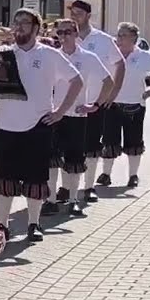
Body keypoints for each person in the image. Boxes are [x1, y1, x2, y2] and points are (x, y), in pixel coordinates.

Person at [0, 8, 82, 244]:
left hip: (37, 125)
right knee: (4, 178)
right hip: (6, 125)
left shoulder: (49, 54)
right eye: (16, 21)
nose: (18, 26)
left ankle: (33, 223)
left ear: (36, 28)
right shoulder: (4, 52)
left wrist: (60, 112)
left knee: (36, 178)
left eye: (24, 22)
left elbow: (76, 80)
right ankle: (3, 225)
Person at [43, 19, 111, 218]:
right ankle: (51, 200)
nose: (63, 36)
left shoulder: (88, 57)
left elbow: (108, 81)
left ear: (75, 34)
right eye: (60, 33)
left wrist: (95, 105)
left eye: (67, 32)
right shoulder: (53, 56)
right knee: (52, 159)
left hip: (77, 115)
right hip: (54, 114)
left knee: (75, 160)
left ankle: (73, 201)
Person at [67, 0, 124, 202]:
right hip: (67, 104)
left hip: (93, 103)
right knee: (68, 148)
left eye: (79, 13)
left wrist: (113, 93)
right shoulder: (64, 36)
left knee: (91, 147)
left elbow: (120, 64)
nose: (74, 16)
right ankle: (66, 188)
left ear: (88, 16)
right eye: (72, 13)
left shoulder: (103, 40)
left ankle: (88, 187)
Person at [99, 22, 150, 188]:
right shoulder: (110, 55)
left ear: (134, 38)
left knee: (134, 142)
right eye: (118, 35)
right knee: (109, 141)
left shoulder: (143, 56)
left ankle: (133, 175)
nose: (119, 38)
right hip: (111, 103)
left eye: (124, 35)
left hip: (135, 104)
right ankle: (106, 174)